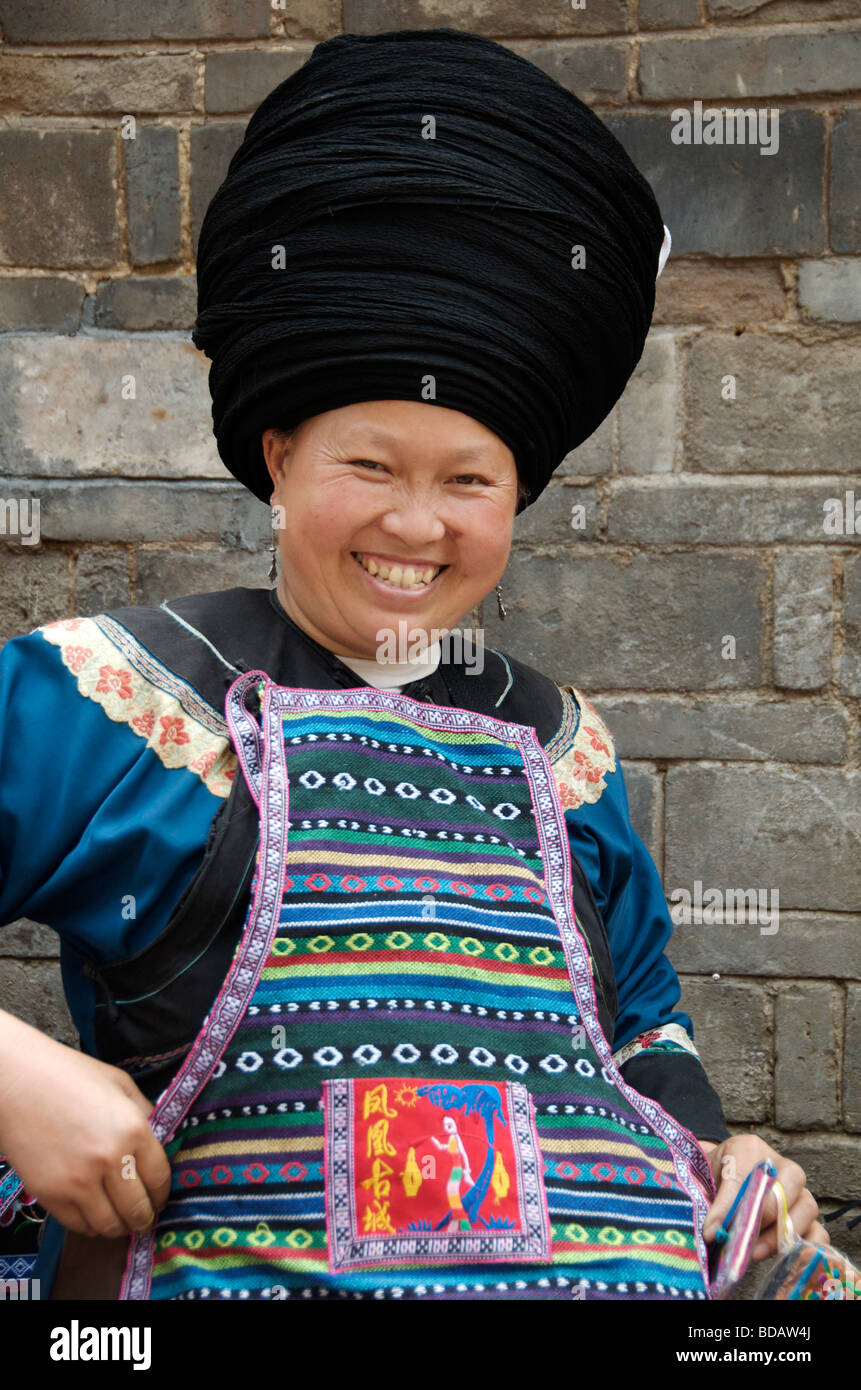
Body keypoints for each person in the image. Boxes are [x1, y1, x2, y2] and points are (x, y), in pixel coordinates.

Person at [0, 28, 829, 1301]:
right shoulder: (112, 696)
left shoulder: (564, 749)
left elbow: (642, 1029)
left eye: (470, 481)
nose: (416, 525)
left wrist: (729, 1158)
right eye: (370, 467)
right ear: (277, 459)